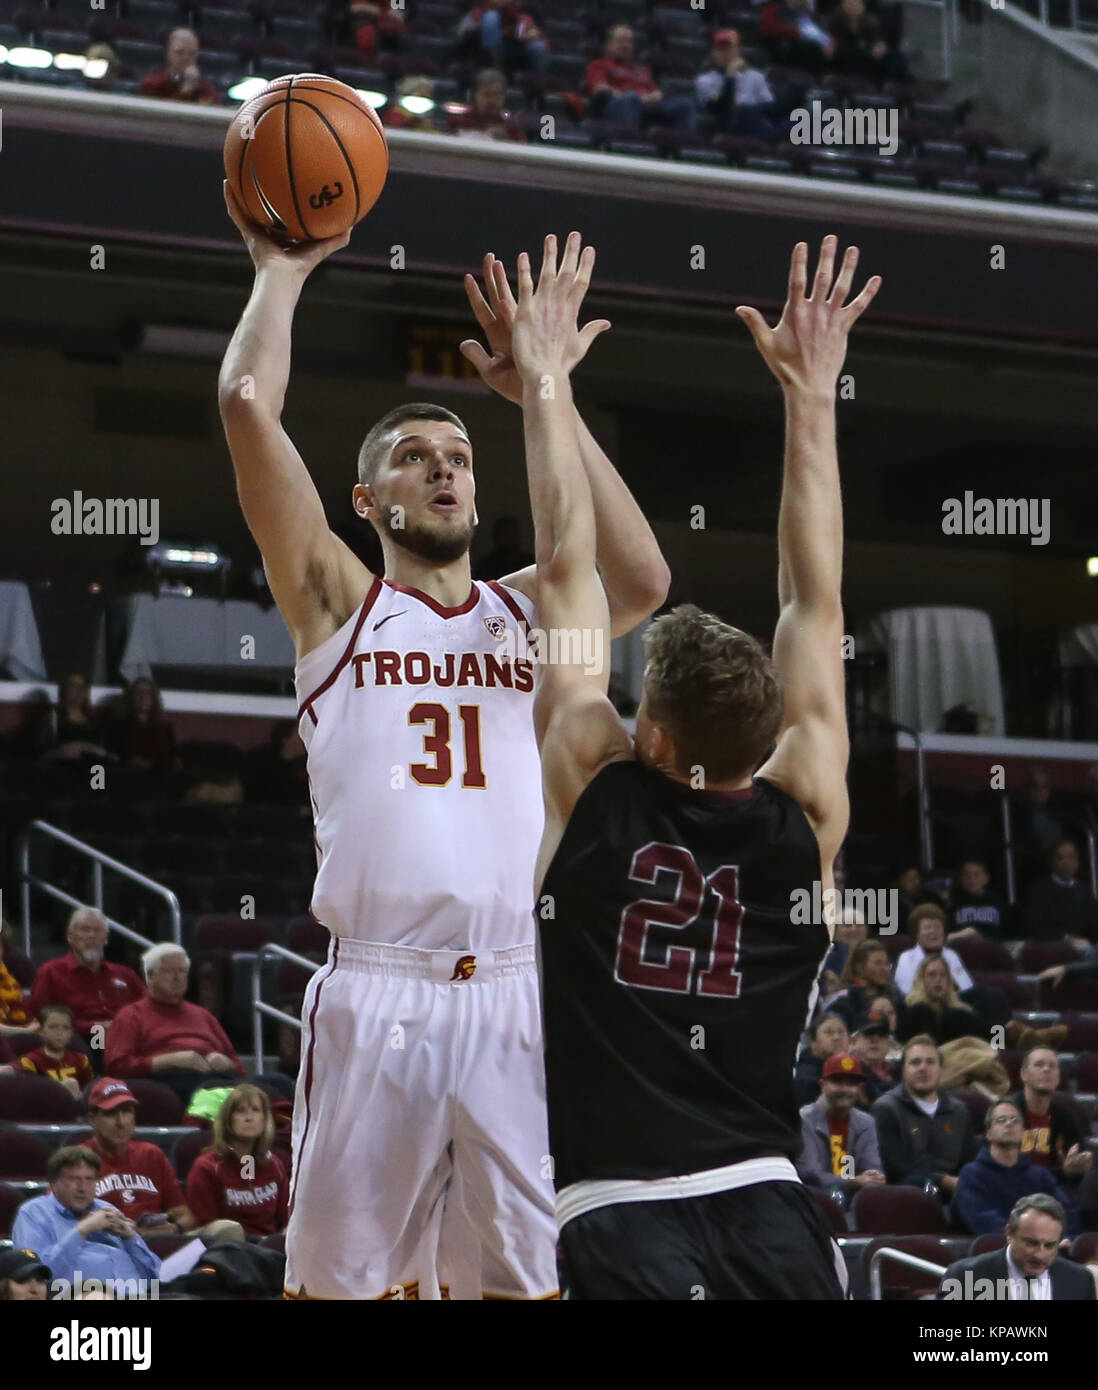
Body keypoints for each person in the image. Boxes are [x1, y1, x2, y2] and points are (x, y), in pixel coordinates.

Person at [217, 184, 667, 1300]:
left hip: (520, 987)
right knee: (343, 1287)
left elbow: (647, 580)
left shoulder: (528, 611)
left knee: (524, 1284)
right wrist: (281, 272)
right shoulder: (338, 604)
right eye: (416, 454)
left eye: (459, 450)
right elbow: (242, 405)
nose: (446, 465)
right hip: (383, 990)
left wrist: (546, 400)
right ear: (368, 497)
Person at [529, 234, 880, 1299]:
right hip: (771, 1200)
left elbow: (566, 566)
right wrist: (811, 392)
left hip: (617, 1208)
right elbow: (812, 600)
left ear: (662, 740)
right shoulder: (807, 799)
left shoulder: (595, 772)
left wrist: (546, 379)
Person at [77, 1078, 240, 1239]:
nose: (122, 1122)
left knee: (227, 1228)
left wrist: (175, 1227)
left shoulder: (151, 1154)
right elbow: (60, 1215)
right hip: (106, 1243)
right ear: (92, 1120)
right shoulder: (78, 1158)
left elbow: (183, 1212)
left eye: (127, 1111)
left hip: (156, 1242)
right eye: (111, 1113)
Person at [105, 945, 245, 1105]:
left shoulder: (204, 1015)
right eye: (169, 971)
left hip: (216, 1079)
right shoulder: (130, 1015)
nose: (177, 977)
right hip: (170, 1082)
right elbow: (117, 1066)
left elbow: (239, 1067)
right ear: (150, 976)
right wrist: (170, 1060)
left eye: (182, 971)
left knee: (273, 1082)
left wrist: (226, 1063)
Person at [11, 1146, 160, 1295]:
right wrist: (82, 1231)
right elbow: (36, 1275)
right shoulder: (33, 1213)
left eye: (89, 1179)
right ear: (53, 1182)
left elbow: (155, 1276)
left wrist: (130, 1237)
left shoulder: (106, 1209)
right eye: (74, 1179)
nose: (82, 1188)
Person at [953, 1098, 1079, 1236]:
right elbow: (982, 1219)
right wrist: (1027, 1238)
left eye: (1015, 1120)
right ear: (988, 1133)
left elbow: (1065, 1211)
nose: (1009, 1124)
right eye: (1001, 1120)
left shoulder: (1039, 1175)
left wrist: (1066, 1238)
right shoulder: (972, 1174)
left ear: (1023, 1132)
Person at [871, 1035, 978, 1194]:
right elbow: (895, 1168)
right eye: (915, 1062)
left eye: (930, 1062)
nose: (923, 1068)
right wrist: (943, 1181)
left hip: (957, 1194)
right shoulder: (885, 1109)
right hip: (908, 1195)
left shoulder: (959, 1111)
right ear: (903, 1070)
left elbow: (969, 1162)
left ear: (941, 1069)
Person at [937, 1194, 1094, 1300]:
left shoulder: (1080, 1280)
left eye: (1050, 1245)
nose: (1040, 1254)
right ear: (1009, 1233)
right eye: (1031, 1243)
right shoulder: (965, 1277)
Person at [185, 1086, 290, 1239]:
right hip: (227, 1249)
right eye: (241, 1111)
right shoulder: (207, 1167)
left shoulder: (275, 1165)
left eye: (255, 1110)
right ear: (228, 1120)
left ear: (265, 1119)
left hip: (268, 1249)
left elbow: (286, 1219)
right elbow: (206, 1225)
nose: (249, 1117)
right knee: (229, 1228)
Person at [29, 907, 145, 1043]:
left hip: (124, 1035)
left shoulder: (125, 974)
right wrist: (93, 1027)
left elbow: (147, 1007)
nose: (91, 935)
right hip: (78, 1039)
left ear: (106, 939)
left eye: (97, 930)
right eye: (84, 929)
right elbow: (42, 1017)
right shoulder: (51, 972)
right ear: (70, 937)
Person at [797, 1053, 885, 1196]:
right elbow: (810, 1175)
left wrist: (874, 1177)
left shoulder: (866, 1122)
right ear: (822, 1085)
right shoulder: (805, 1120)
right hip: (817, 1197)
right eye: (837, 1082)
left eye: (851, 1083)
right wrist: (854, 1181)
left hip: (856, 1198)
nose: (844, 1089)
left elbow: (872, 1167)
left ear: (859, 1088)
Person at [585, 24, 696, 133]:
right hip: (618, 105)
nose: (626, 45)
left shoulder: (641, 70)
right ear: (608, 45)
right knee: (631, 98)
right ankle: (627, 143)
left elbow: (655, 91)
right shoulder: (598, 65)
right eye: (620, 41)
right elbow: (600, 89)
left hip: (647, 105)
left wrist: (656, 95)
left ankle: (679, 147)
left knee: (685, 105)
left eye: (629, 41)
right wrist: (637, 98)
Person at [1008, 1047, 1094, 1182]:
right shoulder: (1007, 1112)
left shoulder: (1066, 1115)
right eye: (1039, 1065)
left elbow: (1078, 1162)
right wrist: (1063, 1171)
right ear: (1024, 1074)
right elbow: (1006, 1169)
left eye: (1052, 1066)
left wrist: (1082, 1162)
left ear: (1058, 1078)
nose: (1046, 1069)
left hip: (1053, 1190)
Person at [694, 28, 783, 139]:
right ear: (713, 53)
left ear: (738, 50)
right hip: (730, 127)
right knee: (745, 111)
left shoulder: (756, 77)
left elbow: (769, 108)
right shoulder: (704, 80)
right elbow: (721, 107)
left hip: (759, 126)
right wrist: (730, 76)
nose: (725, 53)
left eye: (729, 48)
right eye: (720, 49)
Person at [898, 952, 985, 1046]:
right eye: (932, 975)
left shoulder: (959, 1013)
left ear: (949, 981)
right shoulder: (912, 1012)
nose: (938, 979)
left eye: (943, 975)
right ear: (921, 980)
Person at [1023, 840, 1098, 945]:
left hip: (1084, 949)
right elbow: (1035, 926)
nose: (1066, 862)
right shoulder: (1038, 891)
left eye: (1071, 857)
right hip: (1052, 949)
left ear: (1078, 861)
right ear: (1051, 862)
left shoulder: (1085, 892)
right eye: (1060, 858)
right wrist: (1066, 939)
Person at [893, 903, 973, 995]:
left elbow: (967, 988)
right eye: (927, 927)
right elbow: (906, 991)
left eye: (937, 926)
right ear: (916, 934)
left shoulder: (951, 954)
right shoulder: (906, 957)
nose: (933, 931)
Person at [827, 939, 904, 1031]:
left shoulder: (895, 996)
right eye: (878, 963)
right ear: (859, 966)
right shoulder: (846, 999)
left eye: (887, 963)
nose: (885, 969)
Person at [18, 1005, 94, 1098]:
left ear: (71, 1032)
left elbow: (90, 1093)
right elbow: (31, 1095)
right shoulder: (30, 1061)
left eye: (66, 1028)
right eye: (53, 1027)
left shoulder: (81, 1059)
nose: (59, 1033)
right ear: (41, 1031)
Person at [456, 1, 548, 74]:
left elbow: (541, 41)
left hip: (513, 52)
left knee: (538, 46)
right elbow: (462, 33)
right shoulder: (480, 13)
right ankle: (492, 67)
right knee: (490, 17)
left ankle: (538, 77)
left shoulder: (523, 17)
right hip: (485, 54)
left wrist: (525, 33)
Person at [38, 673, 113, 763]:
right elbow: (40, 753)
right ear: (64, 690)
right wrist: (63, 752)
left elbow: (107, 752)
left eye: (83, 687)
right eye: (73, 686)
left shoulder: (96, 719)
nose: (79, 690)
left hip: (93, 771)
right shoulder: (53, 719)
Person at [137, 28, 218, 106]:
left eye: (192, 53)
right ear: (168, 53)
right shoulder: (152, 84)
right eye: (180, 52)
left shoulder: (204, 90)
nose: (186, 58)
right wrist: (185, 92)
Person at [111, 678, 177, 771]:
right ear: (131, 696)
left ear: (154, 697)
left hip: (164, 775)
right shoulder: (120, 727)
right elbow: (121, 757)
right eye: (138, 692)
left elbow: (173, 756)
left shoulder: (164, 728)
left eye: (148, 693)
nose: (143, 697)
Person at [446, 68, 528, 143]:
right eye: (486, 95)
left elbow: (524, 152)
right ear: (475, 96)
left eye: (497, 95)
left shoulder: (511, 127)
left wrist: (505, 140)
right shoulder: (458, 121)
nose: (492, 100)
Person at [794, 1012, 851, 1107]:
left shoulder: (853, 1067)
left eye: (841, 1032)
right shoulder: (806, 1080)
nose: (836, 1037)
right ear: (813, 1041)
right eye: (828, 1032)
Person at [949, 857, 1010, 940]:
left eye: (977, 874)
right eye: (966, 874)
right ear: (961, 878)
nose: (972, 879)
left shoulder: (998, 902)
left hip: (993, 947)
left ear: (986, 878)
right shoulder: (954, 902)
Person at [851, 1018, 900, 1105]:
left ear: (889, 1042)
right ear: (854, 1041)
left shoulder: (900, 1069)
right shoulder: (849, 1072)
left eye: (881, 1035)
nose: (875, 1040)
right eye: (868, 1034)